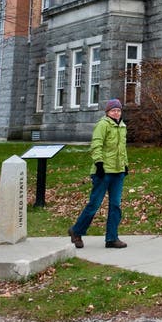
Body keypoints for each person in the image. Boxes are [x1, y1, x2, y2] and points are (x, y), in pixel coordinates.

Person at [68, 98, 129, 249]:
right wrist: (99, 164)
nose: (116, 113)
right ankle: (76, 231)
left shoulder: (122, 126)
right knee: (94, 204)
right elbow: (96, 145)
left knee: (116, 205)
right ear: (107, 112)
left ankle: (112, 238)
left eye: (118, 110)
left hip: (118, 172)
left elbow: (122, 149)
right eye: (113, 110)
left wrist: (125, 165)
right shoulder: (102, 125)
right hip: (103, 172)